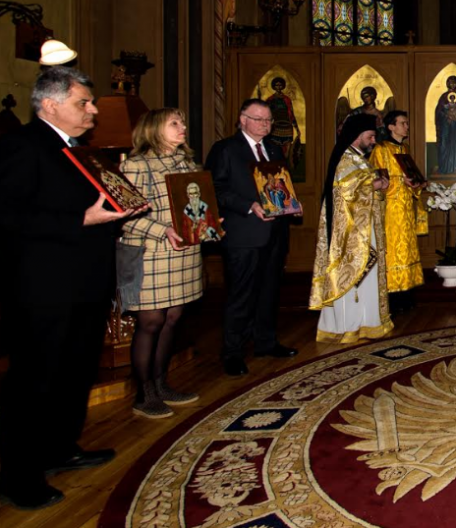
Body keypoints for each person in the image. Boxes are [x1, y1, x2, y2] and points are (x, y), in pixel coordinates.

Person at [0, 66, 143, 509]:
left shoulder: (81, 150)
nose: (93, 110)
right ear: (50, 104)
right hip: (44, 288)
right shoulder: (23, 146)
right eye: (84, 102)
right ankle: (19, 475)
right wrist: (79, 220)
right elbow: (7, 217)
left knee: (76, 372)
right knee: (35, 381)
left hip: (85, 283)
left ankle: (61, 447)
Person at [120, 108, 205, 419]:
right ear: (154, 129)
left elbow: (195, 206)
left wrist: (207, 221)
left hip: (183, 252)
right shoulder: (136, 165)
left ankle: (161, 383)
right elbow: (127, 216)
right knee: (151, 322)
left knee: (172, 319)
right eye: (174, 123)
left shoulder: (187, 163)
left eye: (182, 122)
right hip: (151, 253)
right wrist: (162, 230)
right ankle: (143, 393)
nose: (183, 127)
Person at [206, 98, 300, 377]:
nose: (266, 124)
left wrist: (291, 204)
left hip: (275, 232)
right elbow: (214, 188)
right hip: (243, 233)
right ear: (242, 119)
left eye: (269, 120)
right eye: (260, 119)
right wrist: (249, 206)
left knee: (269, 290)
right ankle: (232, 352)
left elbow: (280, 184)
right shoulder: (225, 149)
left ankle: (266, 342)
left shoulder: (273, 148)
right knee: (241, 293)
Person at [310, 113, 394, 343]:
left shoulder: (358, 159)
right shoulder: (345, 158)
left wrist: (378, 185)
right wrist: (374, 184)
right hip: (350, 234)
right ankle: (349, 326)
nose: (374, 141)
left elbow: (363, 185)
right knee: (354, 277)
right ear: (358, 136)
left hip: (364, 229)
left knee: (367, 278)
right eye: (370, 136)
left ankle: (367, 323)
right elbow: (345, 191)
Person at [370, 110, 428, 314]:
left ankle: (407, 293)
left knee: (407, 251)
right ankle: (393, 298)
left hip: (405, 208)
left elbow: (409, 174)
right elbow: (377, 180)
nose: (407, 126)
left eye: (407, 123)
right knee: (393, 252)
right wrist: (399, 181)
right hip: (390, 210)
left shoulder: (404, 148)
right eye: (403, 123)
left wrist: (417, 182)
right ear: (391, 127)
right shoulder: (380, 150)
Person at [264, 76, 302, 178]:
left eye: (280, 85)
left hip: (287, 127)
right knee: (275, 151)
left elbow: (291, 114)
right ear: (273, 86)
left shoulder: (286, 99)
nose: (278, 86)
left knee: (287, 151)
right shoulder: (270, 100)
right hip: (275, 127)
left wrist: (297, 128)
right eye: (276, 85)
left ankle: (285, 171)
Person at [435, 75, 456, 175]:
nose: (452, 84)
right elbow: (438, 112)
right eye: (450, 82)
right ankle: (445, 167)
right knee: (444, 144)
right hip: (446, 127)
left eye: (455, 82)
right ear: (447, 83)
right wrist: (446, 114)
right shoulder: (443, 97)